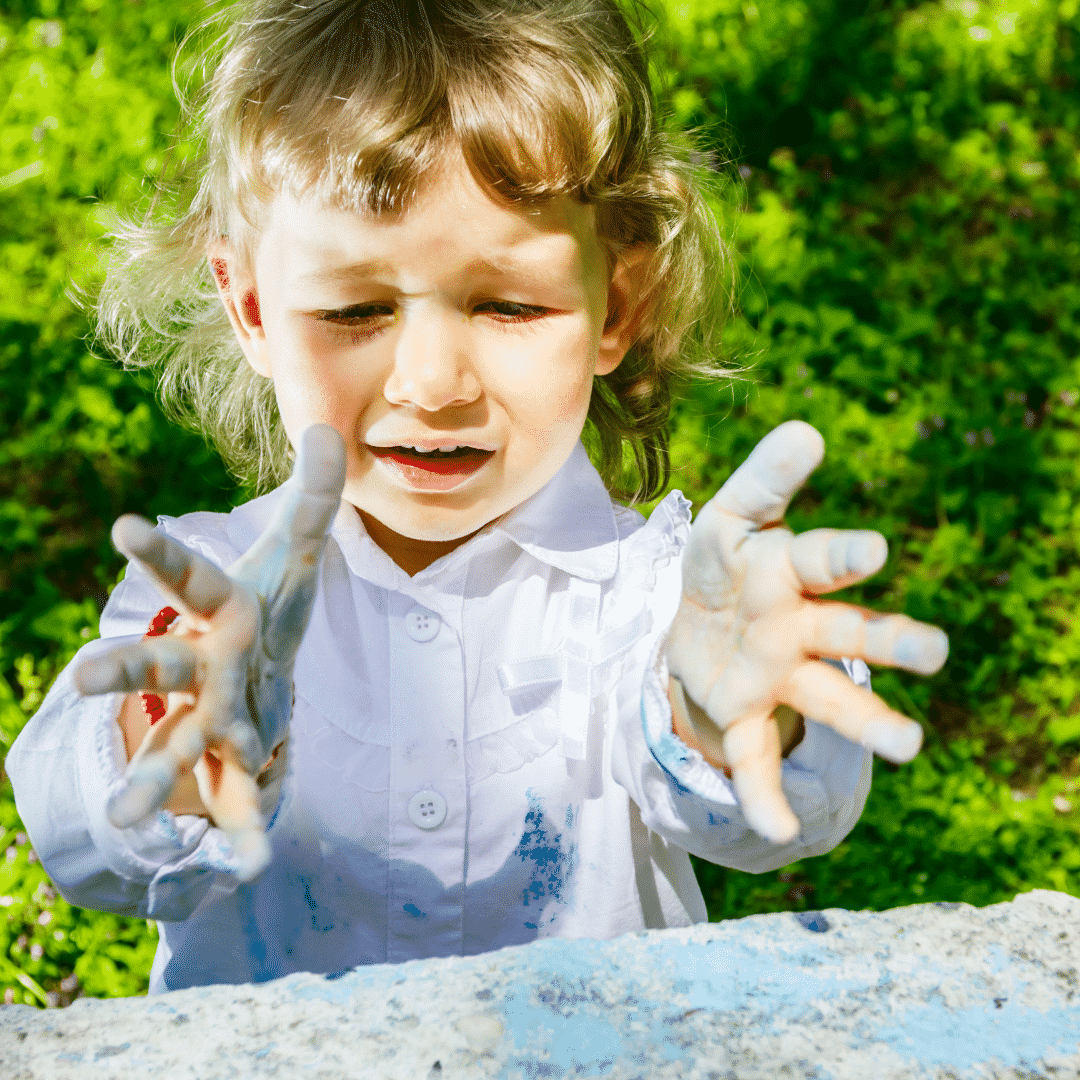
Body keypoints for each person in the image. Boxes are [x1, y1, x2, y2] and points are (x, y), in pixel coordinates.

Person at [7, 0, 948, 994]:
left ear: (619, 306)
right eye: (354, 310)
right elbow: (83, 841)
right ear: (252, 309)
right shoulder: (207, 598)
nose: (433, 382)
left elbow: (768, 820)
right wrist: (182, 736)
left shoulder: (659, 598)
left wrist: (731, 716)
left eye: (509, 305)